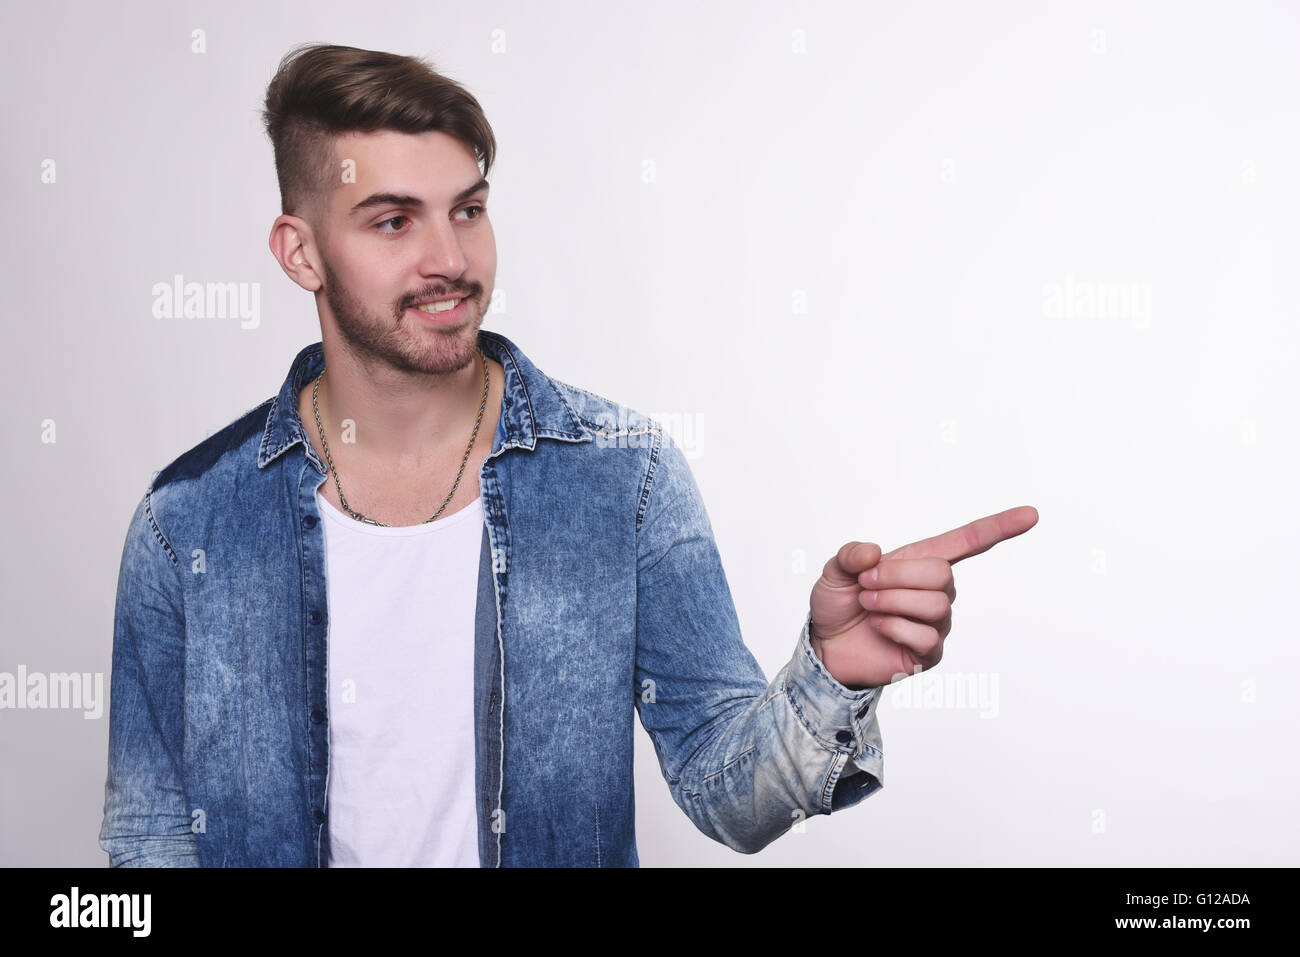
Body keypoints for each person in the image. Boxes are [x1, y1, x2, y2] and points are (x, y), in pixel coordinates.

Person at [99, 43, 1037, 867]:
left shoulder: (622, 477)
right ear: (300, 253)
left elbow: (726, 790)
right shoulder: (188, 521)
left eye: (468, 211)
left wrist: (832, 674)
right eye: (394, 221)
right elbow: (151, 841)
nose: (449, 259)